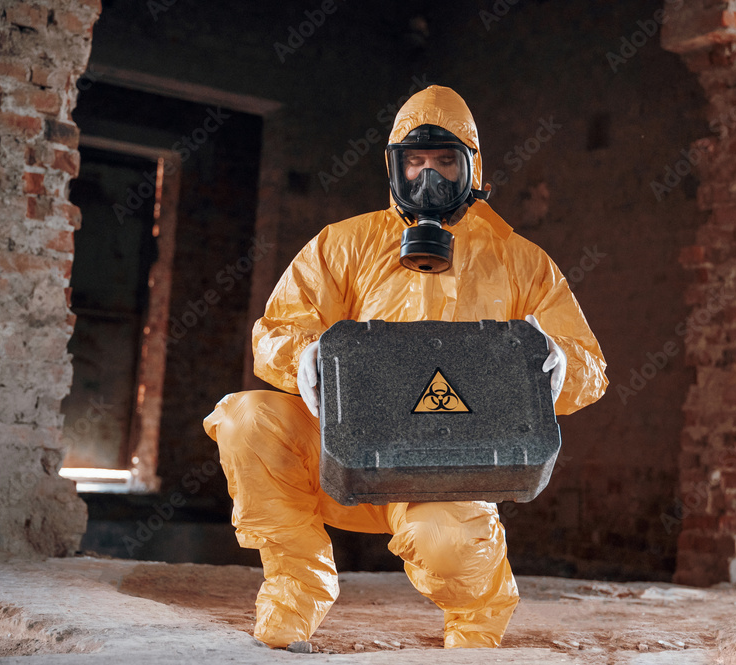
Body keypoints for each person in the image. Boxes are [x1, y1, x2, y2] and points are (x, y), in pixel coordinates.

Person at [203, 84, 607, 650]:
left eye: (446, 163)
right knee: (246, 419)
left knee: (446, 543)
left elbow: (590, 362)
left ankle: (475, 626)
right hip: (344, 451)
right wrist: (304, 354)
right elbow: (275, 330)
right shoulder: (345, 245)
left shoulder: (520, 261)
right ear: (393, 168)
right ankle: (296, 590)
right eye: (414, 163)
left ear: (474, 168)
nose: (429, 179)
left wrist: (561, 362)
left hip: (446, 466)